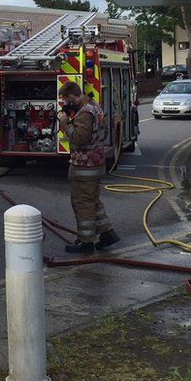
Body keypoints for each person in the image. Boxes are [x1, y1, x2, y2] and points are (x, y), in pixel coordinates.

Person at [57, 82, 120, 254]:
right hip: (95, 164)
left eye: (65, 99)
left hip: (85, 167)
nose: (65, 103)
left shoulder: (84, 113)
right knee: (92, 201)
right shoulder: (94, 107)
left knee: (82, 203)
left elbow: (79, 138)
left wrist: (65, 123)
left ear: (71, 96)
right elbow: (104, 132)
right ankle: (107, 233)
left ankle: (86, 242)